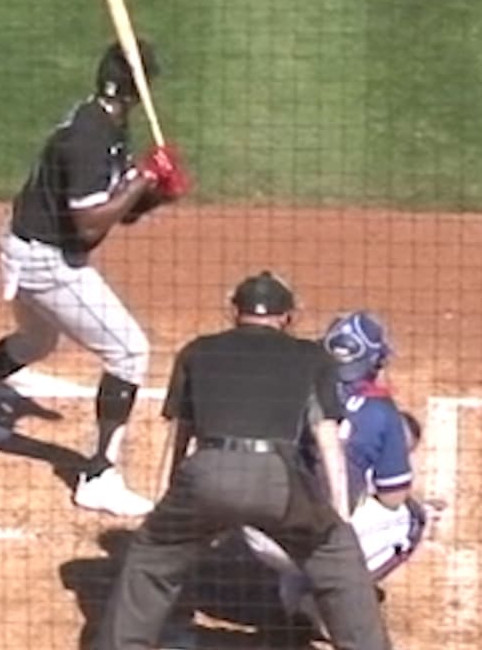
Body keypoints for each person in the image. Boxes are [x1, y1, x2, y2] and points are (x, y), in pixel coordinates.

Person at [0, 39, 192, 518]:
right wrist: (144, 181)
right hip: (45, 261)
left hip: (25, 245)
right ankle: (99, 476)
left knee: (36, 341)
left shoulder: (107, 122)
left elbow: (117, 212)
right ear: (136, 89)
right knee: (129, 350)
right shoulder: (88, 137)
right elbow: (89, 224)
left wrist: (155, 193)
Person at [94, 272, 394, 650]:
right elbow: (327, 442)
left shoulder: (196, 350)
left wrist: (172, 505)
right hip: (278, 480)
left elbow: (180, 438)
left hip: (205, 474)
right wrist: (339, 520)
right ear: (288, 317)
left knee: (151, 556)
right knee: (337, 557)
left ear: (233, 311)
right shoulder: (312, 357)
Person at [241, 311, 430, 626]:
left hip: (258, 535)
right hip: (318, 538)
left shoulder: (286, 387)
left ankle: (295, 593)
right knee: (412, 518)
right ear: (374, 362)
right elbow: (393, 498)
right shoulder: (381, 410)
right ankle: (329, 596)